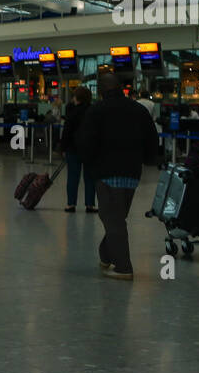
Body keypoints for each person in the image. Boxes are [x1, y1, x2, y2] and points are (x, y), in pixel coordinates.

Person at [77, 72, 160, 280]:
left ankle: (123, 268)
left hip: (106, 172)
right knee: (116, 217)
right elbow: (152, 139)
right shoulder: (139, 110)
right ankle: (106, 255)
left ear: (101, 91)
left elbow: (86, 142)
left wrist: (88, 163)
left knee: (113, 219)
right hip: (132, 172)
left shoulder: (97, 111)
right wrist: (150, 160)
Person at [59, 86, 97, 214]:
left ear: (77, 98)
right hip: (90, 149)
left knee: (73, 177)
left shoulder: (72, 112)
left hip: (73, 148)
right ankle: (90, 204)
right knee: (90, 178)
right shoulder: (93, 111)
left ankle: (71, 204)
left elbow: (67, 131)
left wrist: (62, 148)